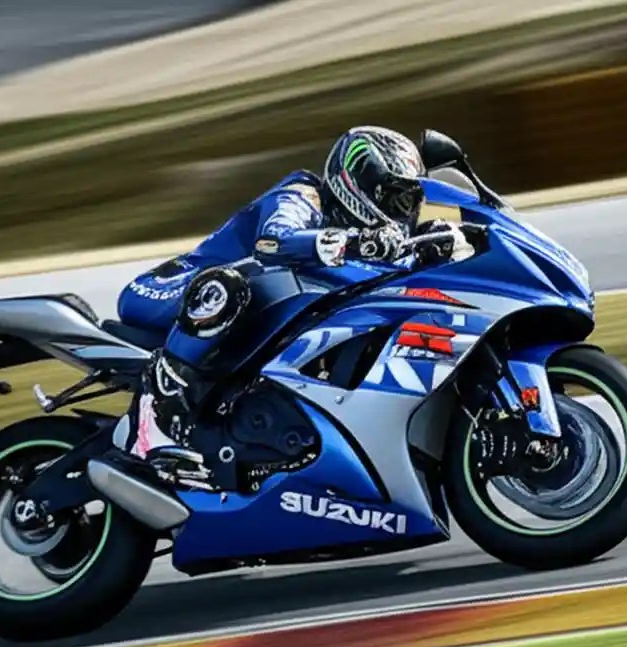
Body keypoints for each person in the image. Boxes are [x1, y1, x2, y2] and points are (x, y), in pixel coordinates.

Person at [104, 125, 461, 485]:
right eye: (391, 197)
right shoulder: (303, 194)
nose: (398, 212)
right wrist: (352, 241)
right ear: (358, 184)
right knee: (229, 285)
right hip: (167, 291)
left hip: (231, 327)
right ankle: (157, 413)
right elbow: (273, 241)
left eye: (407, 201)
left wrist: (433, 245)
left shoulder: (370, 237)